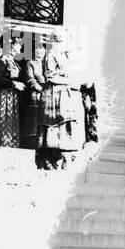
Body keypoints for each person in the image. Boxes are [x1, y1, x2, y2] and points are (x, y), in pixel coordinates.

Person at [38, 30, 85, 169]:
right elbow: (50, 76)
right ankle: (51, 156)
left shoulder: (64, 56)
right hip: (55, 95)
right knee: (54, 124)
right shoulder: (50, 55)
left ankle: (63, 155)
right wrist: (69, 82)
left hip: (66, 96)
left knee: (65, 124)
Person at [0, 39, 20, 147]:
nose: (20, 47)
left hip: (10, 96)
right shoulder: (3, 59)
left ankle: (9, 144)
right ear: (12, 47)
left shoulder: (12, 60)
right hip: (3, 96)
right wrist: (14, 84)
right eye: (18, 45)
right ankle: (1, 144)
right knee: (2, 120)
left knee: (9, 121)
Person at [17, 35, 46, 150]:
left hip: (47, 95)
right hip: (36, 95)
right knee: (33, 123)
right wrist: (40, 88)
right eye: (37, 48)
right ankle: (31, 147)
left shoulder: (46, 63)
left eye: (42, 48)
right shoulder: (30, 63)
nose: (40, 51)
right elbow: (30, 79)